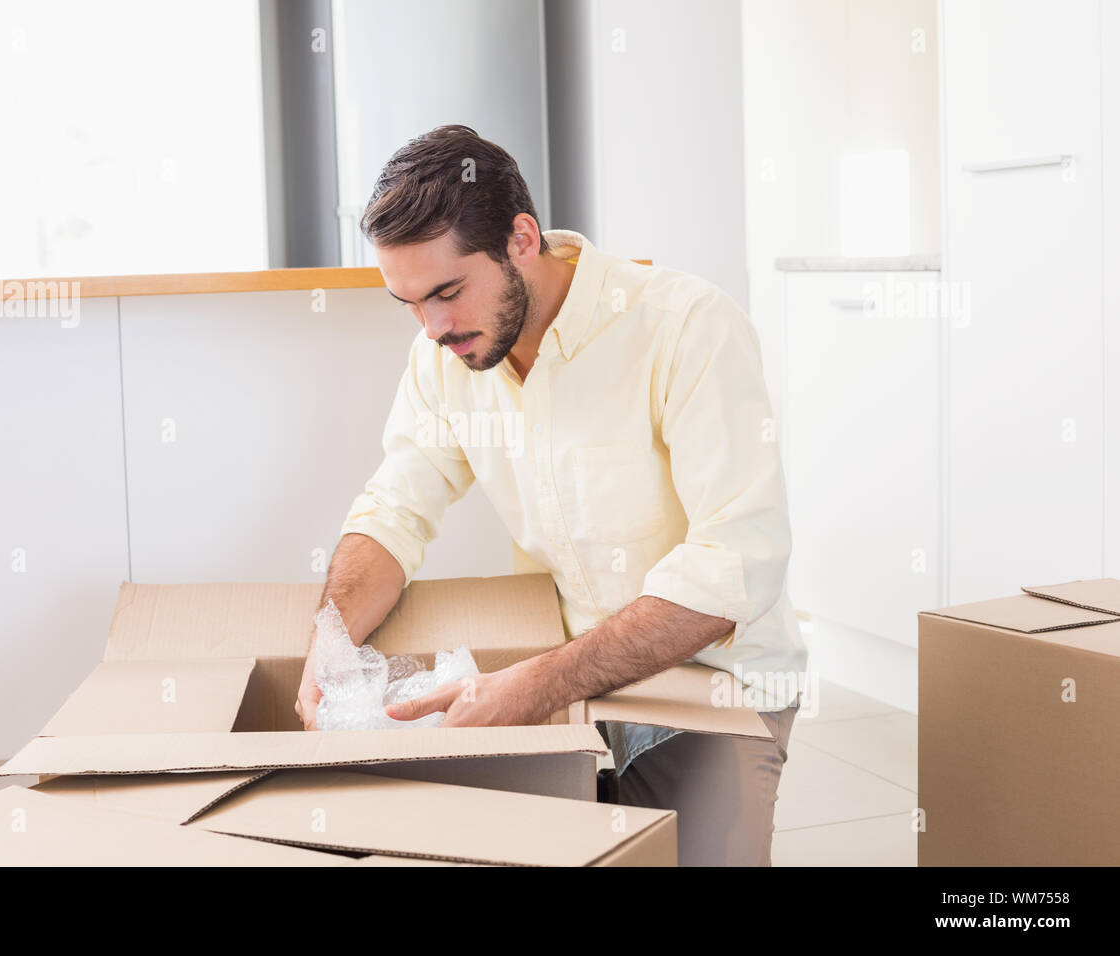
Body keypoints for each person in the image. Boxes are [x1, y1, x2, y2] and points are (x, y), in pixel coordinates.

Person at [295, 124, 807, 866]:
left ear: (523, 240)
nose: (433, 327)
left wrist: (536, 686)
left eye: (446, 291)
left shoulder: (686, 327)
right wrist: (328, 642)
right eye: (408, 302)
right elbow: (397, 507)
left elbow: (736, 561)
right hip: (567, 677)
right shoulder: (445, 357)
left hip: (710, 685)